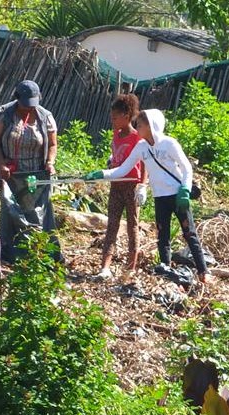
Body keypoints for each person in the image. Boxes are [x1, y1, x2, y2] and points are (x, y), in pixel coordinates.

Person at [84, 109, 209, 284]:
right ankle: (166, 271)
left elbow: (186, 167)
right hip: (160, 197)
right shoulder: (142, 147)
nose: (137, 127)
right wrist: (102, 174)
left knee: (189, 234)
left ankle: (203, 272)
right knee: (162, 237)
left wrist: (185, 190)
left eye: (140, 124)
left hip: (177, 195)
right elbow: (123, 169)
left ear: (152, 126)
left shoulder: (169, 144)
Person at [0, 80, 61, 264]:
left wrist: (50, 162)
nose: (29, 109)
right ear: (17, 99)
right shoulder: (4, 115)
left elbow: (52, 144)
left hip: (36, 173)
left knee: (37, 211)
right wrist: (1, 163)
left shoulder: (45, 116)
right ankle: (11, 253)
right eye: (25, 104)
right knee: (11, 211)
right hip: (11, 173)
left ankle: (40, 252)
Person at [97, 94, 146, 279]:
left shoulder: (137, 137)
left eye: (115, 117)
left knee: (133, 226)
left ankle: (131, 267)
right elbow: (115, 157)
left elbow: (144, 163)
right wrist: (111, 162)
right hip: (116, 186)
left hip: (131, 187)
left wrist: (142, 185)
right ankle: (105, 267)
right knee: (112, 225)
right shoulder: (116, 135)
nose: (112, 120)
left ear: (126, 116)